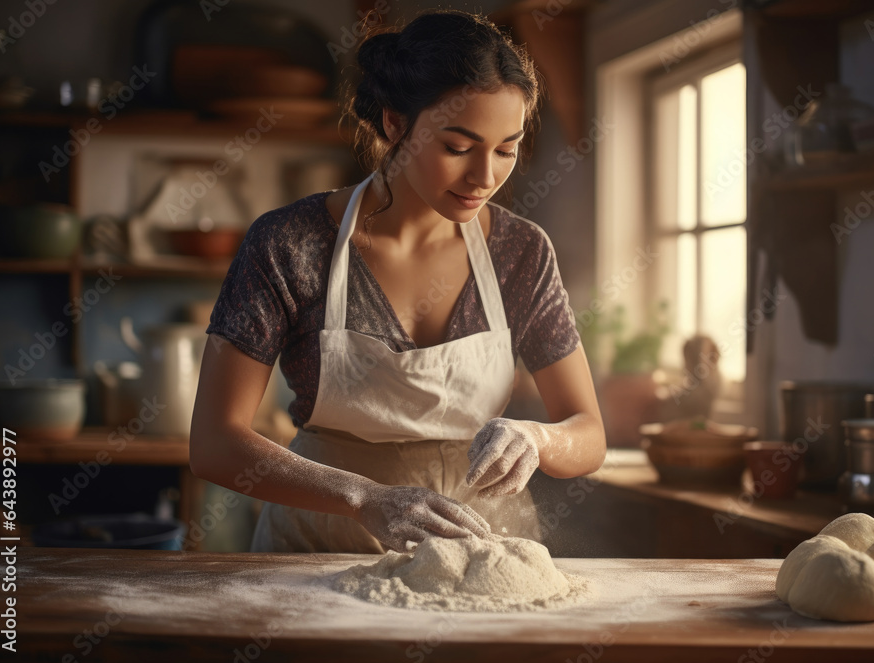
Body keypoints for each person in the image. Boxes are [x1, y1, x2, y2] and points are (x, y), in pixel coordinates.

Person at [189, 9, 606, 554]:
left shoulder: (520, 251)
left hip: (483, 554)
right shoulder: (289, 243)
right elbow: (214, 443)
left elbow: (589, 434)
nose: (485, 177)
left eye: (506, 149)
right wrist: (363, 497)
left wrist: (537, 436)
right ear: (394, 124)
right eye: (458, 147)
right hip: (319, 552)